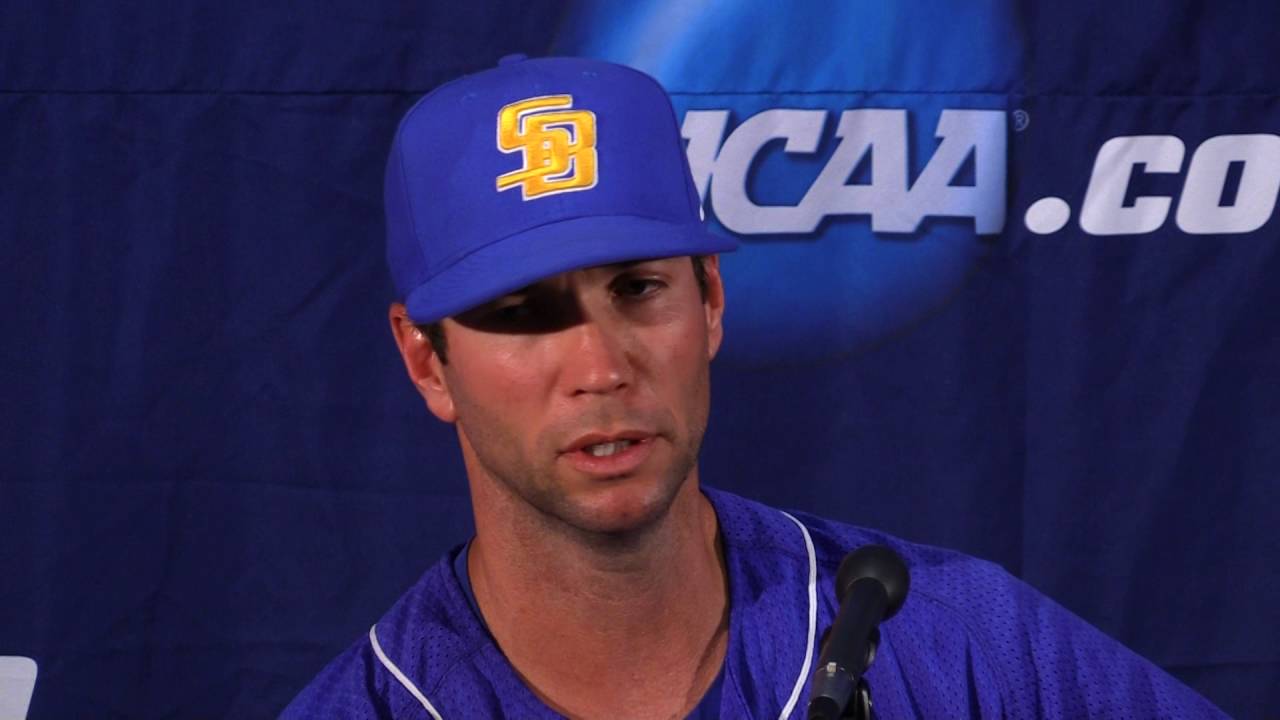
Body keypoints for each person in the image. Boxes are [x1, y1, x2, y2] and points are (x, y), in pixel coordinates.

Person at [281, 55, 1226, 719]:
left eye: (639, 289)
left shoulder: (957, 646)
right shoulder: (371, 706)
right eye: (525, 314)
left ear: (712, 303)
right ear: (424, 360)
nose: (602, 368)